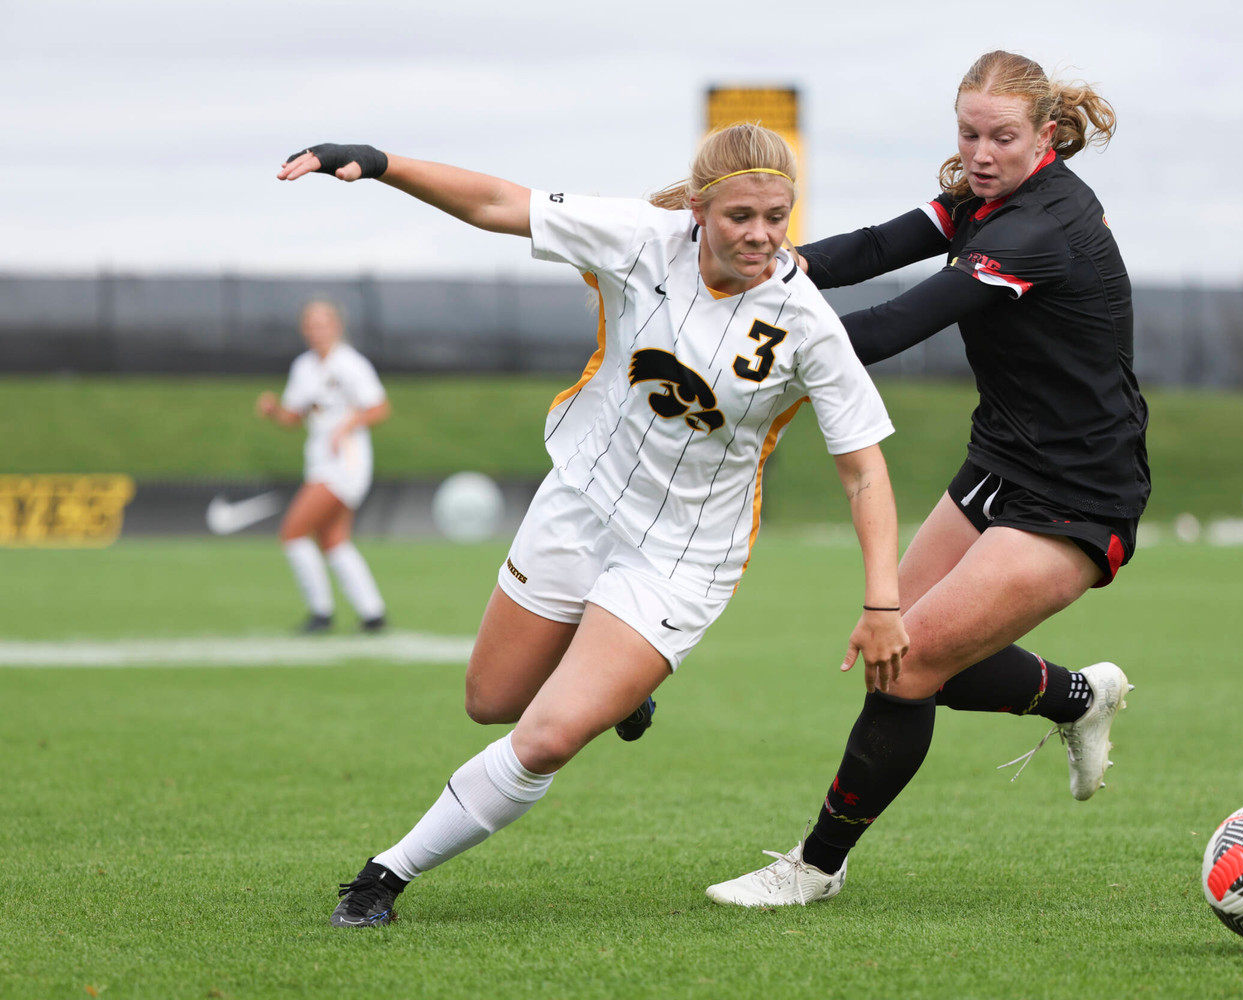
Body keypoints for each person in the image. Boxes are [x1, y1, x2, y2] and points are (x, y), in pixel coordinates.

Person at [275, 124, 909, 927]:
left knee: (544, 739)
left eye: (776, 217)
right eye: (740, 216)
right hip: (580, 503)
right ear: (700, 209)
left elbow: (865, 473)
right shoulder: (641, 239)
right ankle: (621, 693)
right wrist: (380, 163)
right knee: (489, 700)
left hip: (682, 556)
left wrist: (882, 603)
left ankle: (382, 877)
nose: (760, 235)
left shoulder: (807, 323)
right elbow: (500, 202)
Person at [705, 50, 1149, 907]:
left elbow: (895, 324)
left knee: (904, 665)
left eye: (1003, 137)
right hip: (1000, 464)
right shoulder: (982, 200)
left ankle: (815, 867)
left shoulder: (1039, 229)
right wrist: (759, 260)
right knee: (892, 651)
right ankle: (1078, 696)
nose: (981, 152)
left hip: (1079, 496)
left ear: (1047, 135)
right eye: (969, 132)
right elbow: (873, 248)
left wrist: (749, 329)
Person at [256, 299, 391, 633]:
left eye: (322, 324)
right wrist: (274, 410)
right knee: (333, 540)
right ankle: (373, 614)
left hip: (345, 463)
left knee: (293, 533)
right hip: (318, 461)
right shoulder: (303, 367)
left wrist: (346, 426)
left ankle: (320, 613)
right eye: (310, 325)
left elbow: (379, 408)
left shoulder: (351, 364)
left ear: (336, 326)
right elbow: (293, 415)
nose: (315, 331)